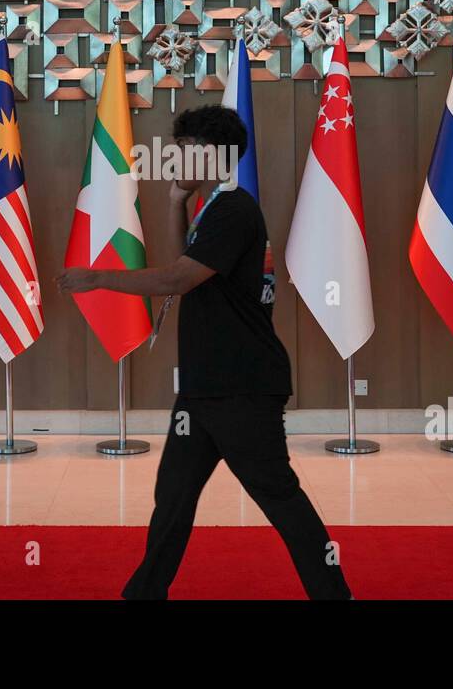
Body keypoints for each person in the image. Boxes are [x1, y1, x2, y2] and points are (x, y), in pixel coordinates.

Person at [57, 104, 352, 600]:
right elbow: (186, 269)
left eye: (186, 148)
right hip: (204, 389)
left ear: (213, 154)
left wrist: (97, 278)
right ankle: (144, 594)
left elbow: (176, 279)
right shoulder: (214, 206)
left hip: (242, 387)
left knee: (279, 497)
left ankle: (334, 594)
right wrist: (175, 204)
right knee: (172, 498)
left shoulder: (235, 209)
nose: (175, 156)